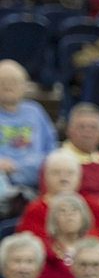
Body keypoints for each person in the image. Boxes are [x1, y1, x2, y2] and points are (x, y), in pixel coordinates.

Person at [18, 148, 99, 251]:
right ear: (45, 177)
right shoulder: (35, 209)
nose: (63, 178)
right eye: (56, 173)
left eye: (70, 173)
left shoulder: (90, 204)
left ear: (79, 178)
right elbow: (28, 246)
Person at [0, 60, 58, 190]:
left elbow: (51, 148)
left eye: (13, 81)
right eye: (2, 81)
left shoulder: (35, 111)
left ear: (24, 86)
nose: (7, 86)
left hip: (37, 179)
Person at [32, 192, 92, 278]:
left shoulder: (95, 248)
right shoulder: (43, 250)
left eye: (75, 210)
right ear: (53, 219)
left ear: (84, 217)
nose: (69, 216)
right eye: (62, 211)